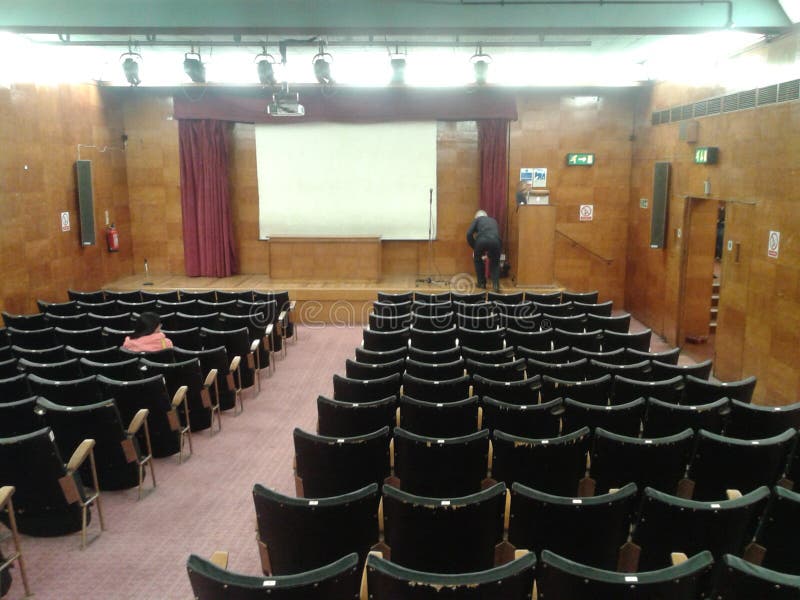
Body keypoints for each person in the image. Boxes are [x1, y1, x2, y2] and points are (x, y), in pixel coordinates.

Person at [466, 209, 502, 291]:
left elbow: (469, 234)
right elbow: (493, 236)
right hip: (496, 241)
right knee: (495, 262)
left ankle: (481, 283)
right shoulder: (493, 220)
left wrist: (475, 247)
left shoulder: (477, 219)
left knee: (478, 260)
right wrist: (489, 255)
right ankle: (496, 285)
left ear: (477, 217)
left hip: (481, 241)